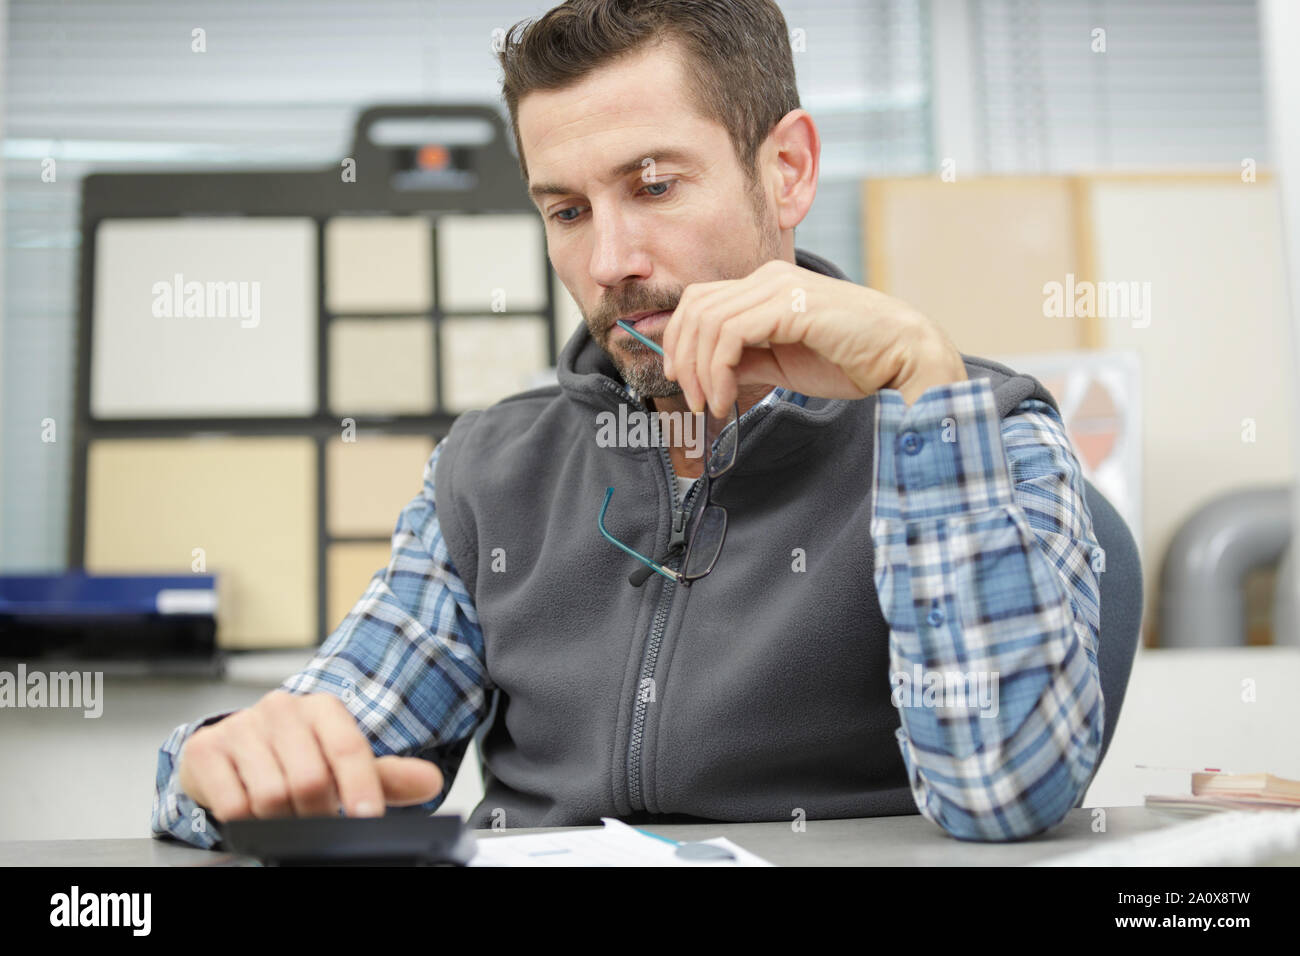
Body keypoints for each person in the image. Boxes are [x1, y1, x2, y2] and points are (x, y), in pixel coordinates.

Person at [152, 0, 1103, 849]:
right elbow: (321, 743)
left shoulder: (982, 426)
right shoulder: (490, 469)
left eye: (653, 187)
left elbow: (1003, 789)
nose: (608, 262)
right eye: (566, 209)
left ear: (787, 171)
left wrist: (922, 390)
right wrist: (224, 764)